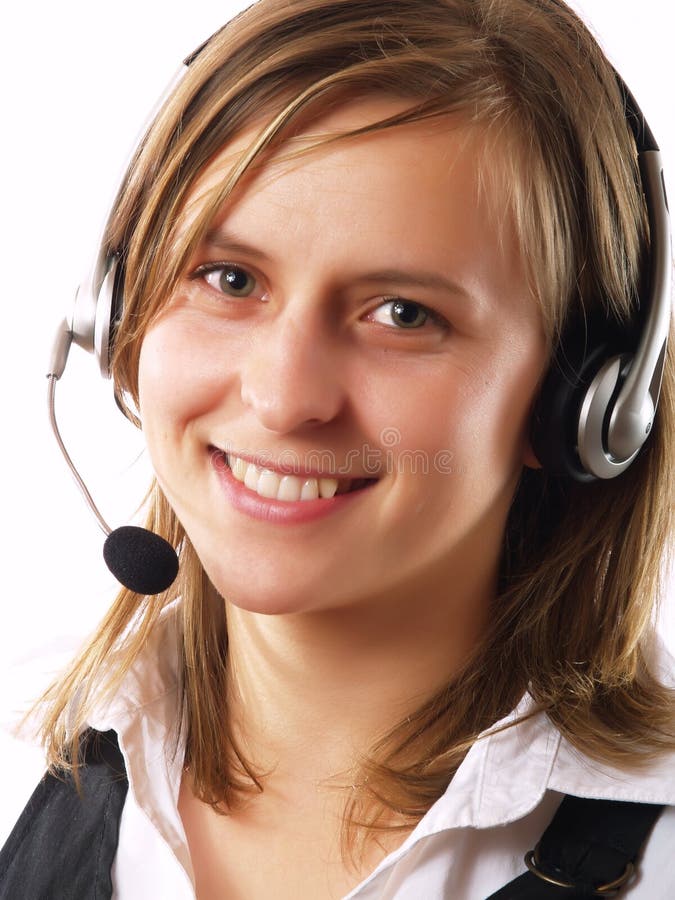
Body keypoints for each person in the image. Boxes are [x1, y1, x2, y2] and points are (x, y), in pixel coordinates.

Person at [1, 0, 673, 897]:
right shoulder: (16, 753)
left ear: (584, 401)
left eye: (403, 314)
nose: (283, 398)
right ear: (116, 312)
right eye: (228, 278)